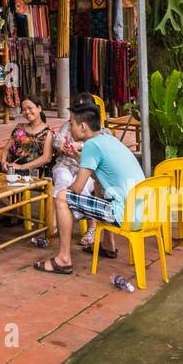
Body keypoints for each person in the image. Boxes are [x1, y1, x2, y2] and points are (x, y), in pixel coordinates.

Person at [35, 106, 145, 275]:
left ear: (83, 127)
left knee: (63, 196)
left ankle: (63, 259)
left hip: (126, 214)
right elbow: (98, 174)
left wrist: (70, 206)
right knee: (100, 188)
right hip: (143, 211)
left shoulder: (92, 145)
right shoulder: (108, 139)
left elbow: (77, 188)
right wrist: (77, 157)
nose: (70, 128)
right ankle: (108, 245)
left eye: (72, 124)